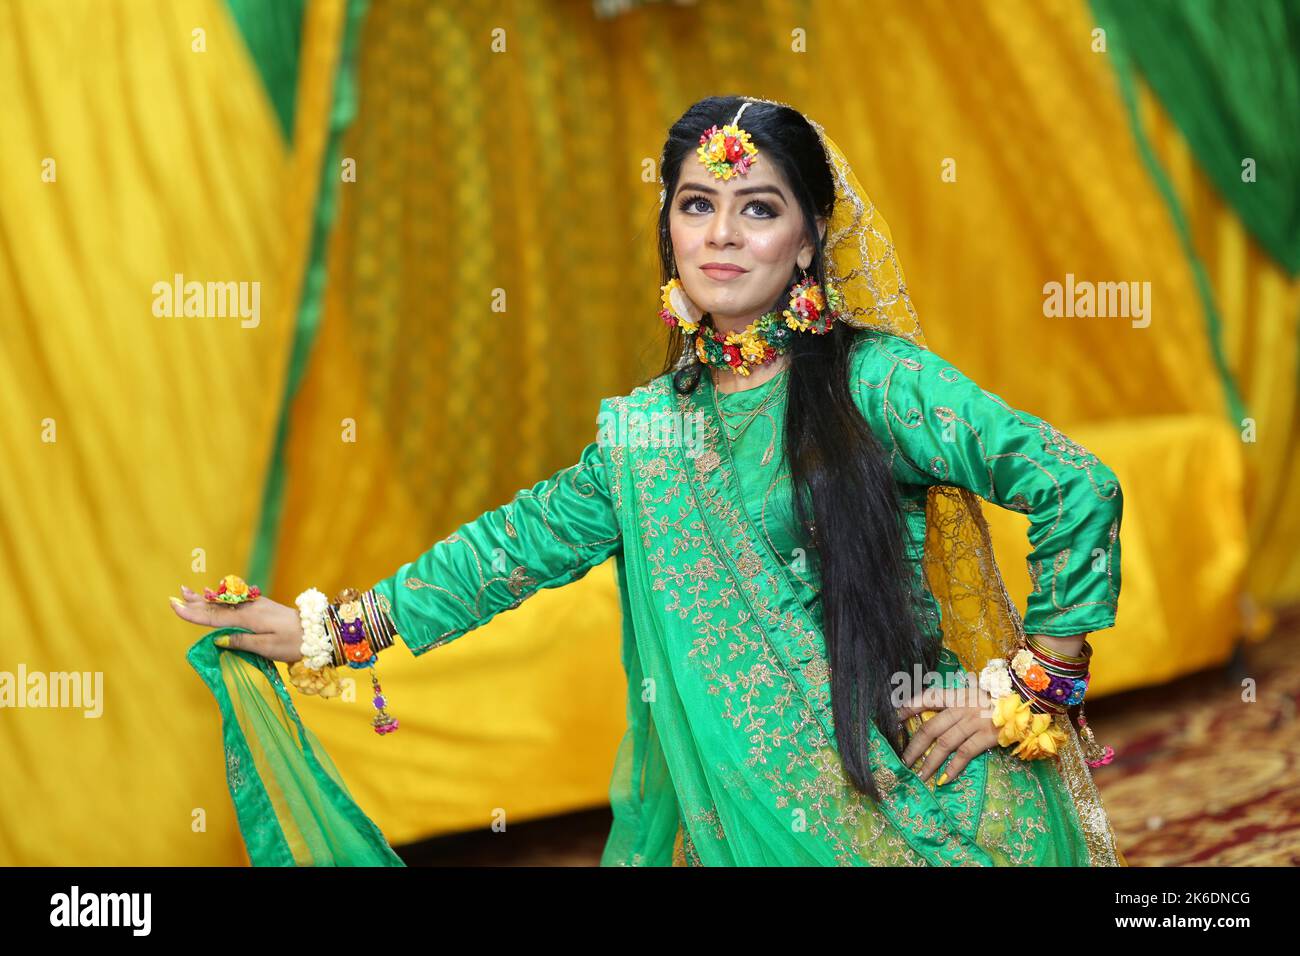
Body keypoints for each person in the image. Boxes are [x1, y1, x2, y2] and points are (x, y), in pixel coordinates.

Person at [171, 95, 1127, 867]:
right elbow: (508, 550)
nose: (722, 235)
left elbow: (1075, 485)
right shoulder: (645, 436)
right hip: (748, 831)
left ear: (807, 240)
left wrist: (1033, 683)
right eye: (696, 206)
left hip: (919, 809)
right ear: (668, 229)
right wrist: (322, 631)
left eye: (758, 208)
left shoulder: (880, 383)